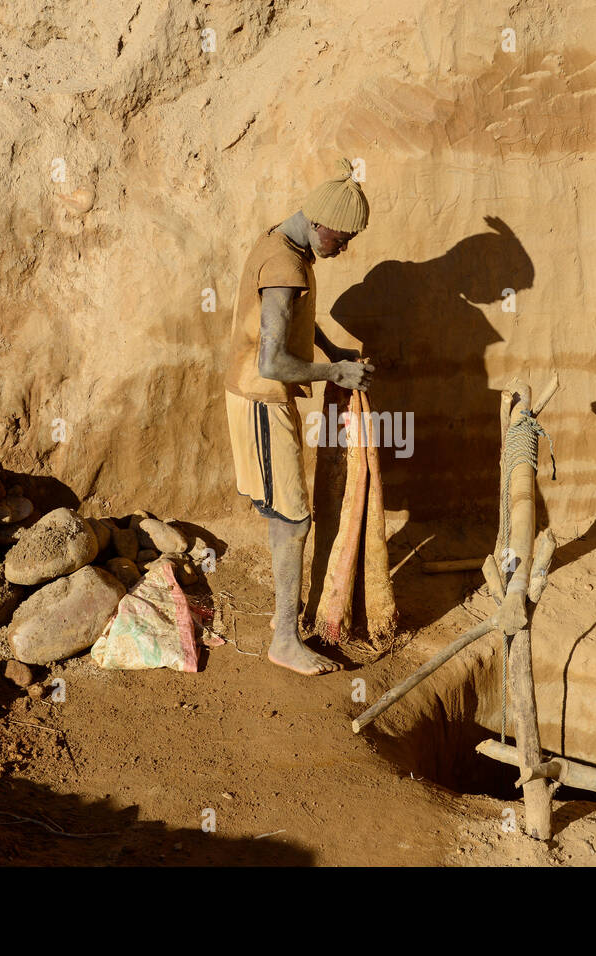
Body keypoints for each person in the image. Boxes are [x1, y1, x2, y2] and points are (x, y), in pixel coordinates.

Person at [224, 159, 374, 675]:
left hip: (262, 396)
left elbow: (291, 328)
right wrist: (333, 370)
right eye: (344, 239)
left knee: (282, 513)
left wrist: (333, 348)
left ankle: (282, 618)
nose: (344, 248)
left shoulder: (283, 243)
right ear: (320, 224)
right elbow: (272, 360)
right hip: (262, 398)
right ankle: (285, 639)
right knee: (294, 519)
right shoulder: (286, 268)